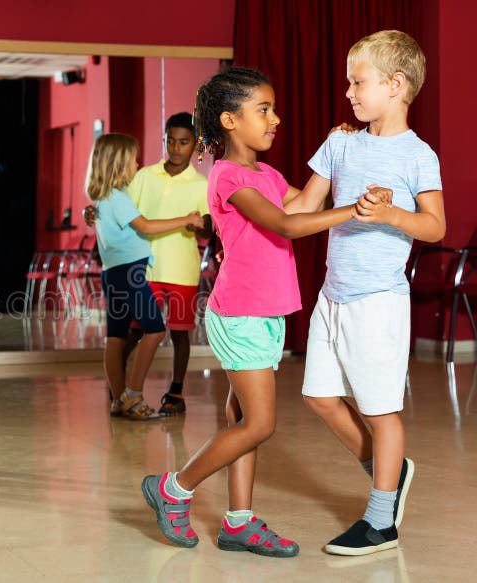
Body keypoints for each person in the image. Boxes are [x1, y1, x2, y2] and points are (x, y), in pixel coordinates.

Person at [141, 67, 364, 557]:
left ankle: (238, 521)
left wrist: (328, 154)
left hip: (266, 313)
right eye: (263, 110)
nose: (276, 119)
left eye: (273, 108)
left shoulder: (267, 173)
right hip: (240, 313)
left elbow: (305, 201)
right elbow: (286, 224)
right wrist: (354, 211)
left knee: (242, 419)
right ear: (229, 120)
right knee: (259, 423)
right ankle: (173, 488)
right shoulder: (227, 176)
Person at [285, 30, 445, 556]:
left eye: (358, 82)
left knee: (380, 411)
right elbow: (303, 208)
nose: (349, 92)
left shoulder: (418, 154)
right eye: (349, 82)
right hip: (333, 295)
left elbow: (435, 227)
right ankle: (389, 471)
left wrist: (392, 213)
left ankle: (381, 521)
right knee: (319, 397)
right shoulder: (340, 142)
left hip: (378, 299)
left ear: (395, 85)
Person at [84, 113, 212, 416]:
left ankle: (154, 392)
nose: (177, 148)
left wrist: (198, 225)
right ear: (164, 140)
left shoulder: (201, 183)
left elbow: (208, 229)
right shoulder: (142, 178)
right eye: (171, 141)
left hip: (179, 270)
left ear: (195, 145)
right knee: (139, 331)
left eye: (184, 142)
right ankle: (127, 392)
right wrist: (185, 219)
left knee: (176, 333)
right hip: (143, 271)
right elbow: (141, 223)